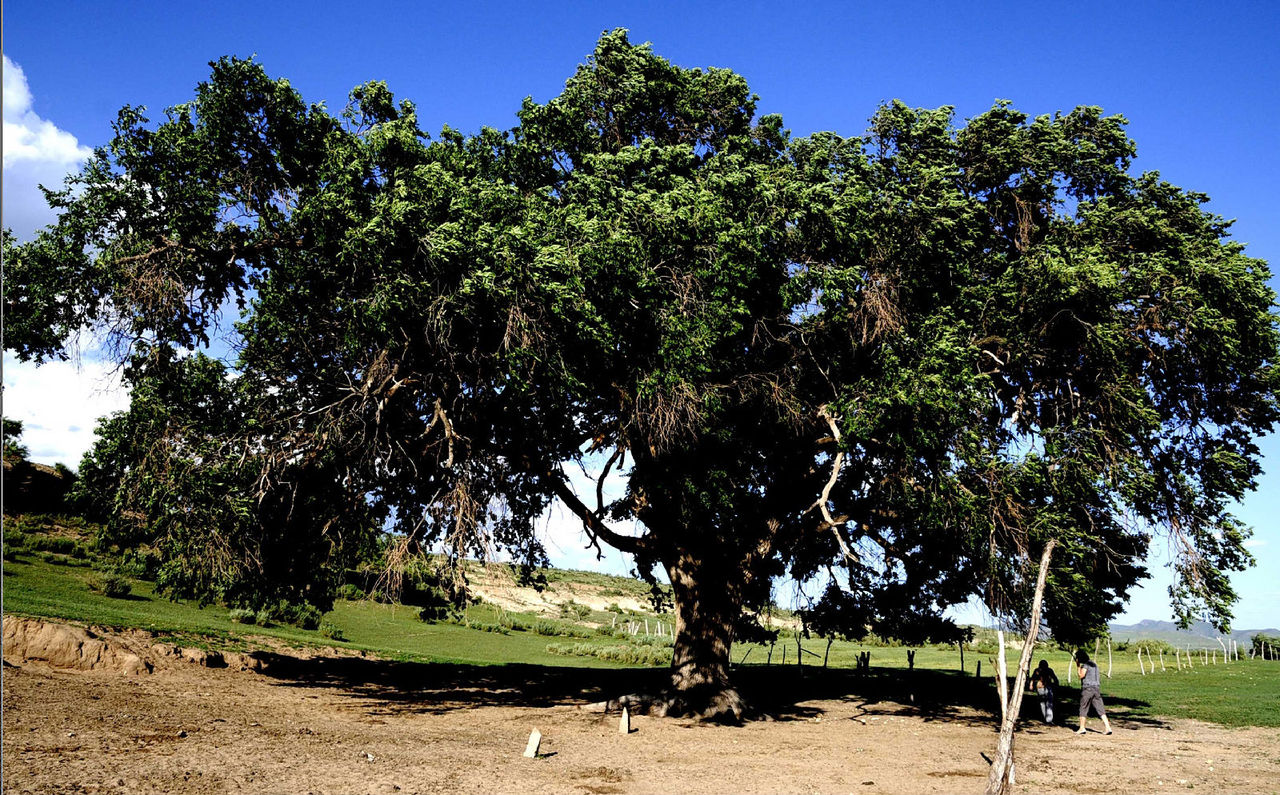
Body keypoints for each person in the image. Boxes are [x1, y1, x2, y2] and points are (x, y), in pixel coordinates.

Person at [1075, 649, 1113, 735]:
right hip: (1096, 688)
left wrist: (1078, 667)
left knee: (1083, 707)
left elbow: (1081, 675)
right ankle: (1108, 727)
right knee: (1100, 708)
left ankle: (1082, 728)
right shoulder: (1094, 665)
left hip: (1087, 688)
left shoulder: (1085, 665)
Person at [1029, 659, 1059, 724]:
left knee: (1042, 704)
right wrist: (1056, 685)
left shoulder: (1037, 670)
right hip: (1048, 688)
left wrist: (1031, 685)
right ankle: (1049, 719)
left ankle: (1046, 718)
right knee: (1049, 703)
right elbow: (1055, 678)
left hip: (1040, 688)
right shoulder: (1049, 670)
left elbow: (1033, 679)